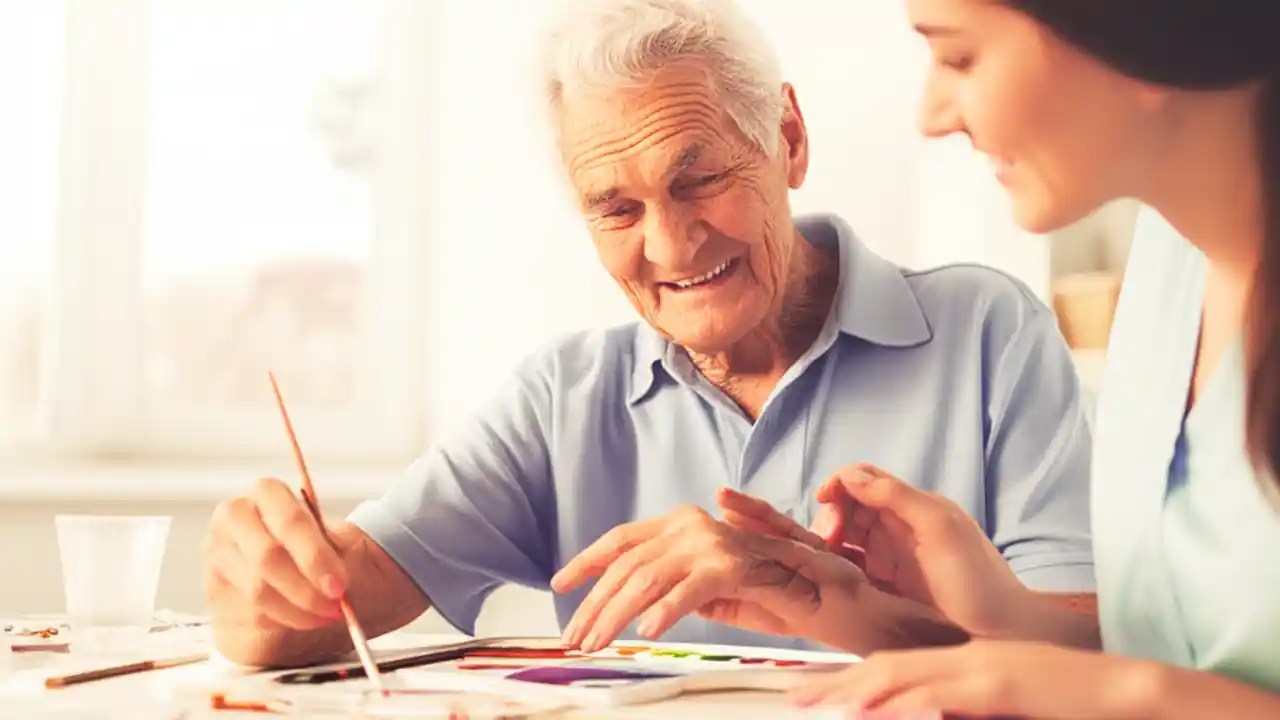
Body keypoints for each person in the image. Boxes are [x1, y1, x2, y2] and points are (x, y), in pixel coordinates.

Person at [200, 0, 1095, 667]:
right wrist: (265, 587)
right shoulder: (562, 398)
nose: (670, 245)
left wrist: (798, 589)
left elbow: (1088, 660)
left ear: (787, 137)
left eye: (699, 182)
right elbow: (331, 608)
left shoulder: (987, 332)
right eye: (618, 209)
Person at [658, 1, 1280, 716]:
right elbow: (1177, 661)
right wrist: (934, 617)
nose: (932, 116)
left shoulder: (1005, 320)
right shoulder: (1168, 265)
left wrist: (1132, 694)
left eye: (960, 57)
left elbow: (1146, 691)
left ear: (1139, 28)